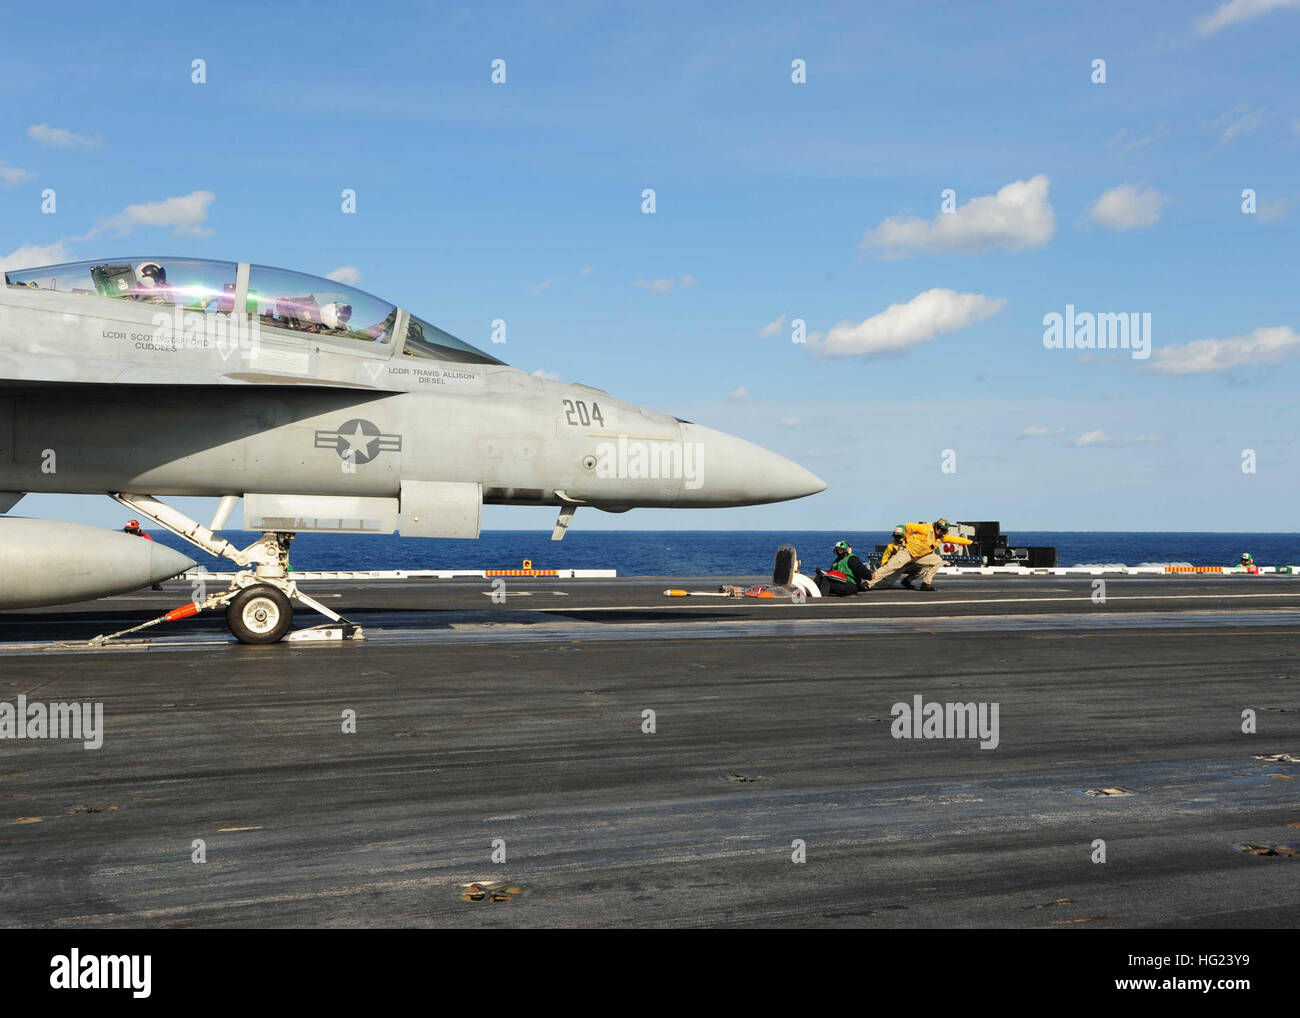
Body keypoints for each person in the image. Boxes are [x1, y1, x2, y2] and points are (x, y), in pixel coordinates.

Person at [867, 518, 970, 591]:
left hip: (918, 557)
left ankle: (924, 583)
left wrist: (969, 542)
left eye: (942, 530)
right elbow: (908, 526)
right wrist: (907, 539)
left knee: (937, 561)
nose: (940, 530)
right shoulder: (926, 528)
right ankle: (867, 583)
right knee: (889, 573)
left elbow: (954, 539)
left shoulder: (940, 537)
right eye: (939, 528)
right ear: (936, 526)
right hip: (907, 553)